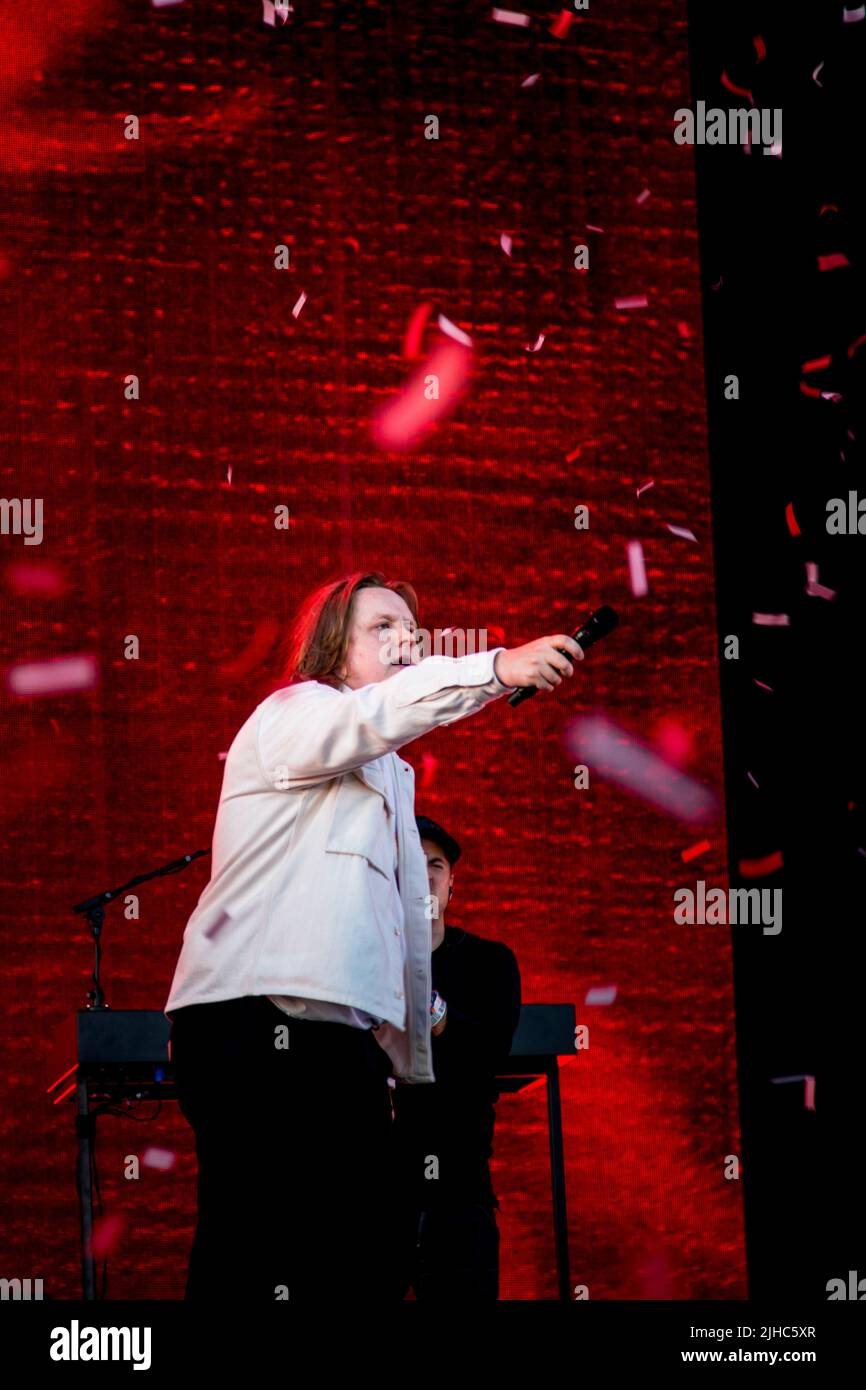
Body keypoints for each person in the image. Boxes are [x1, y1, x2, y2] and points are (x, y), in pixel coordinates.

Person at [164, 569, 583, 1301]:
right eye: (381, 628)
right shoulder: (296, 711)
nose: (405, 641)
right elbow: (373, 716)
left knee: (355, 1259)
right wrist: (494, 667)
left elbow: (395, 930)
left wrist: (403, 1054)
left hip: (339, 1039)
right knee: (249, 1250)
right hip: (250, 1021)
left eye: (411, 633)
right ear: (334, 642)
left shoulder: (392, 773)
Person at [390, 815, 521, 1301]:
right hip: (380, 1195)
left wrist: (425, 1001)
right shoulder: (362, 963)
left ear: (451, 885)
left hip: (461, 1190)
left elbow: (487, 1054)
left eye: (436, 866)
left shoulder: (490, 962)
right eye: (412, 864)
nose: (425, 875)